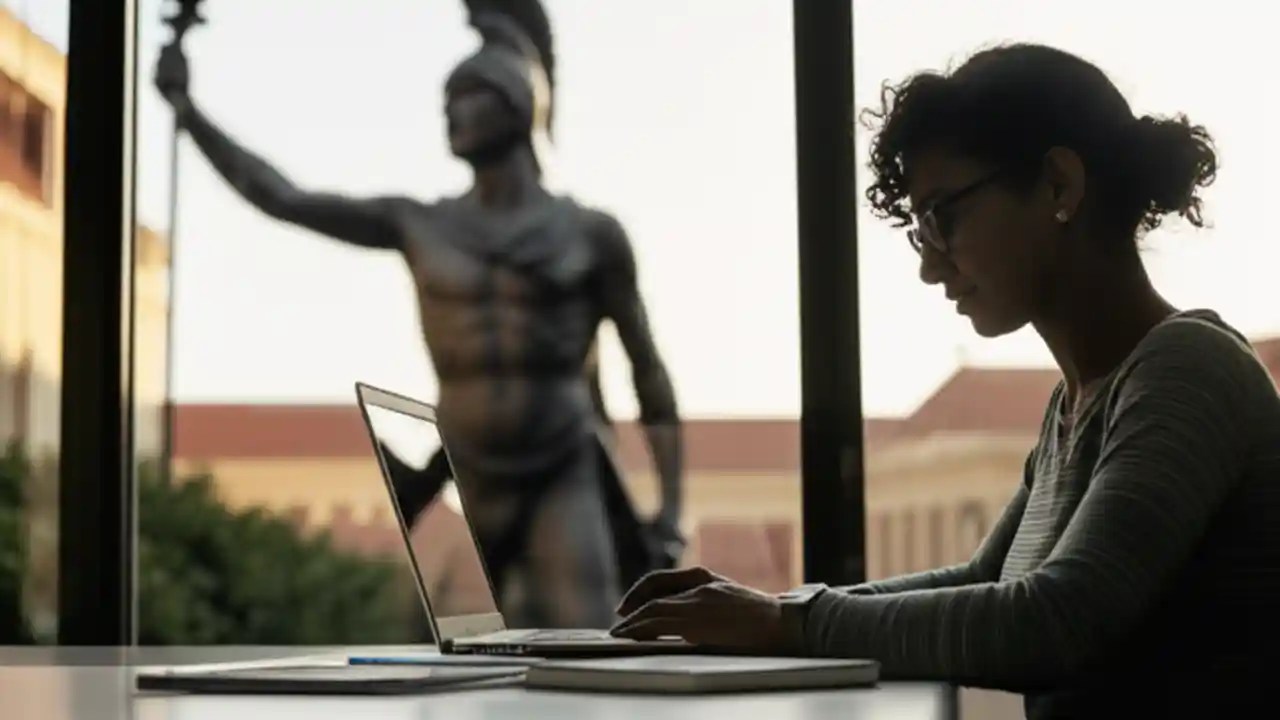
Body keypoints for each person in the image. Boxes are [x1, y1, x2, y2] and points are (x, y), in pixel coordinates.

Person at [611, 43, 1280, 715]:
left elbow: (1054, 621)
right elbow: (984, 580)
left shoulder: (1190, 370)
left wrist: (785, 623)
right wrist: (762, 609)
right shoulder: (1077, 404)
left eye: (943, 217)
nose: (932, 267)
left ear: (1059, 185)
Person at [154, 0, 685, 630]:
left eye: (467, 96)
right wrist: (191, 113)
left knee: (592, 641)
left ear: (516, 104)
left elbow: (648, 373)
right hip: (472, 473)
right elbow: (282, 196)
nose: (449, 112)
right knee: (490, 658)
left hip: (560, 467)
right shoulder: (422, 225)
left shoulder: (589, 235)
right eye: (446, 101)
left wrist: (671, 510)